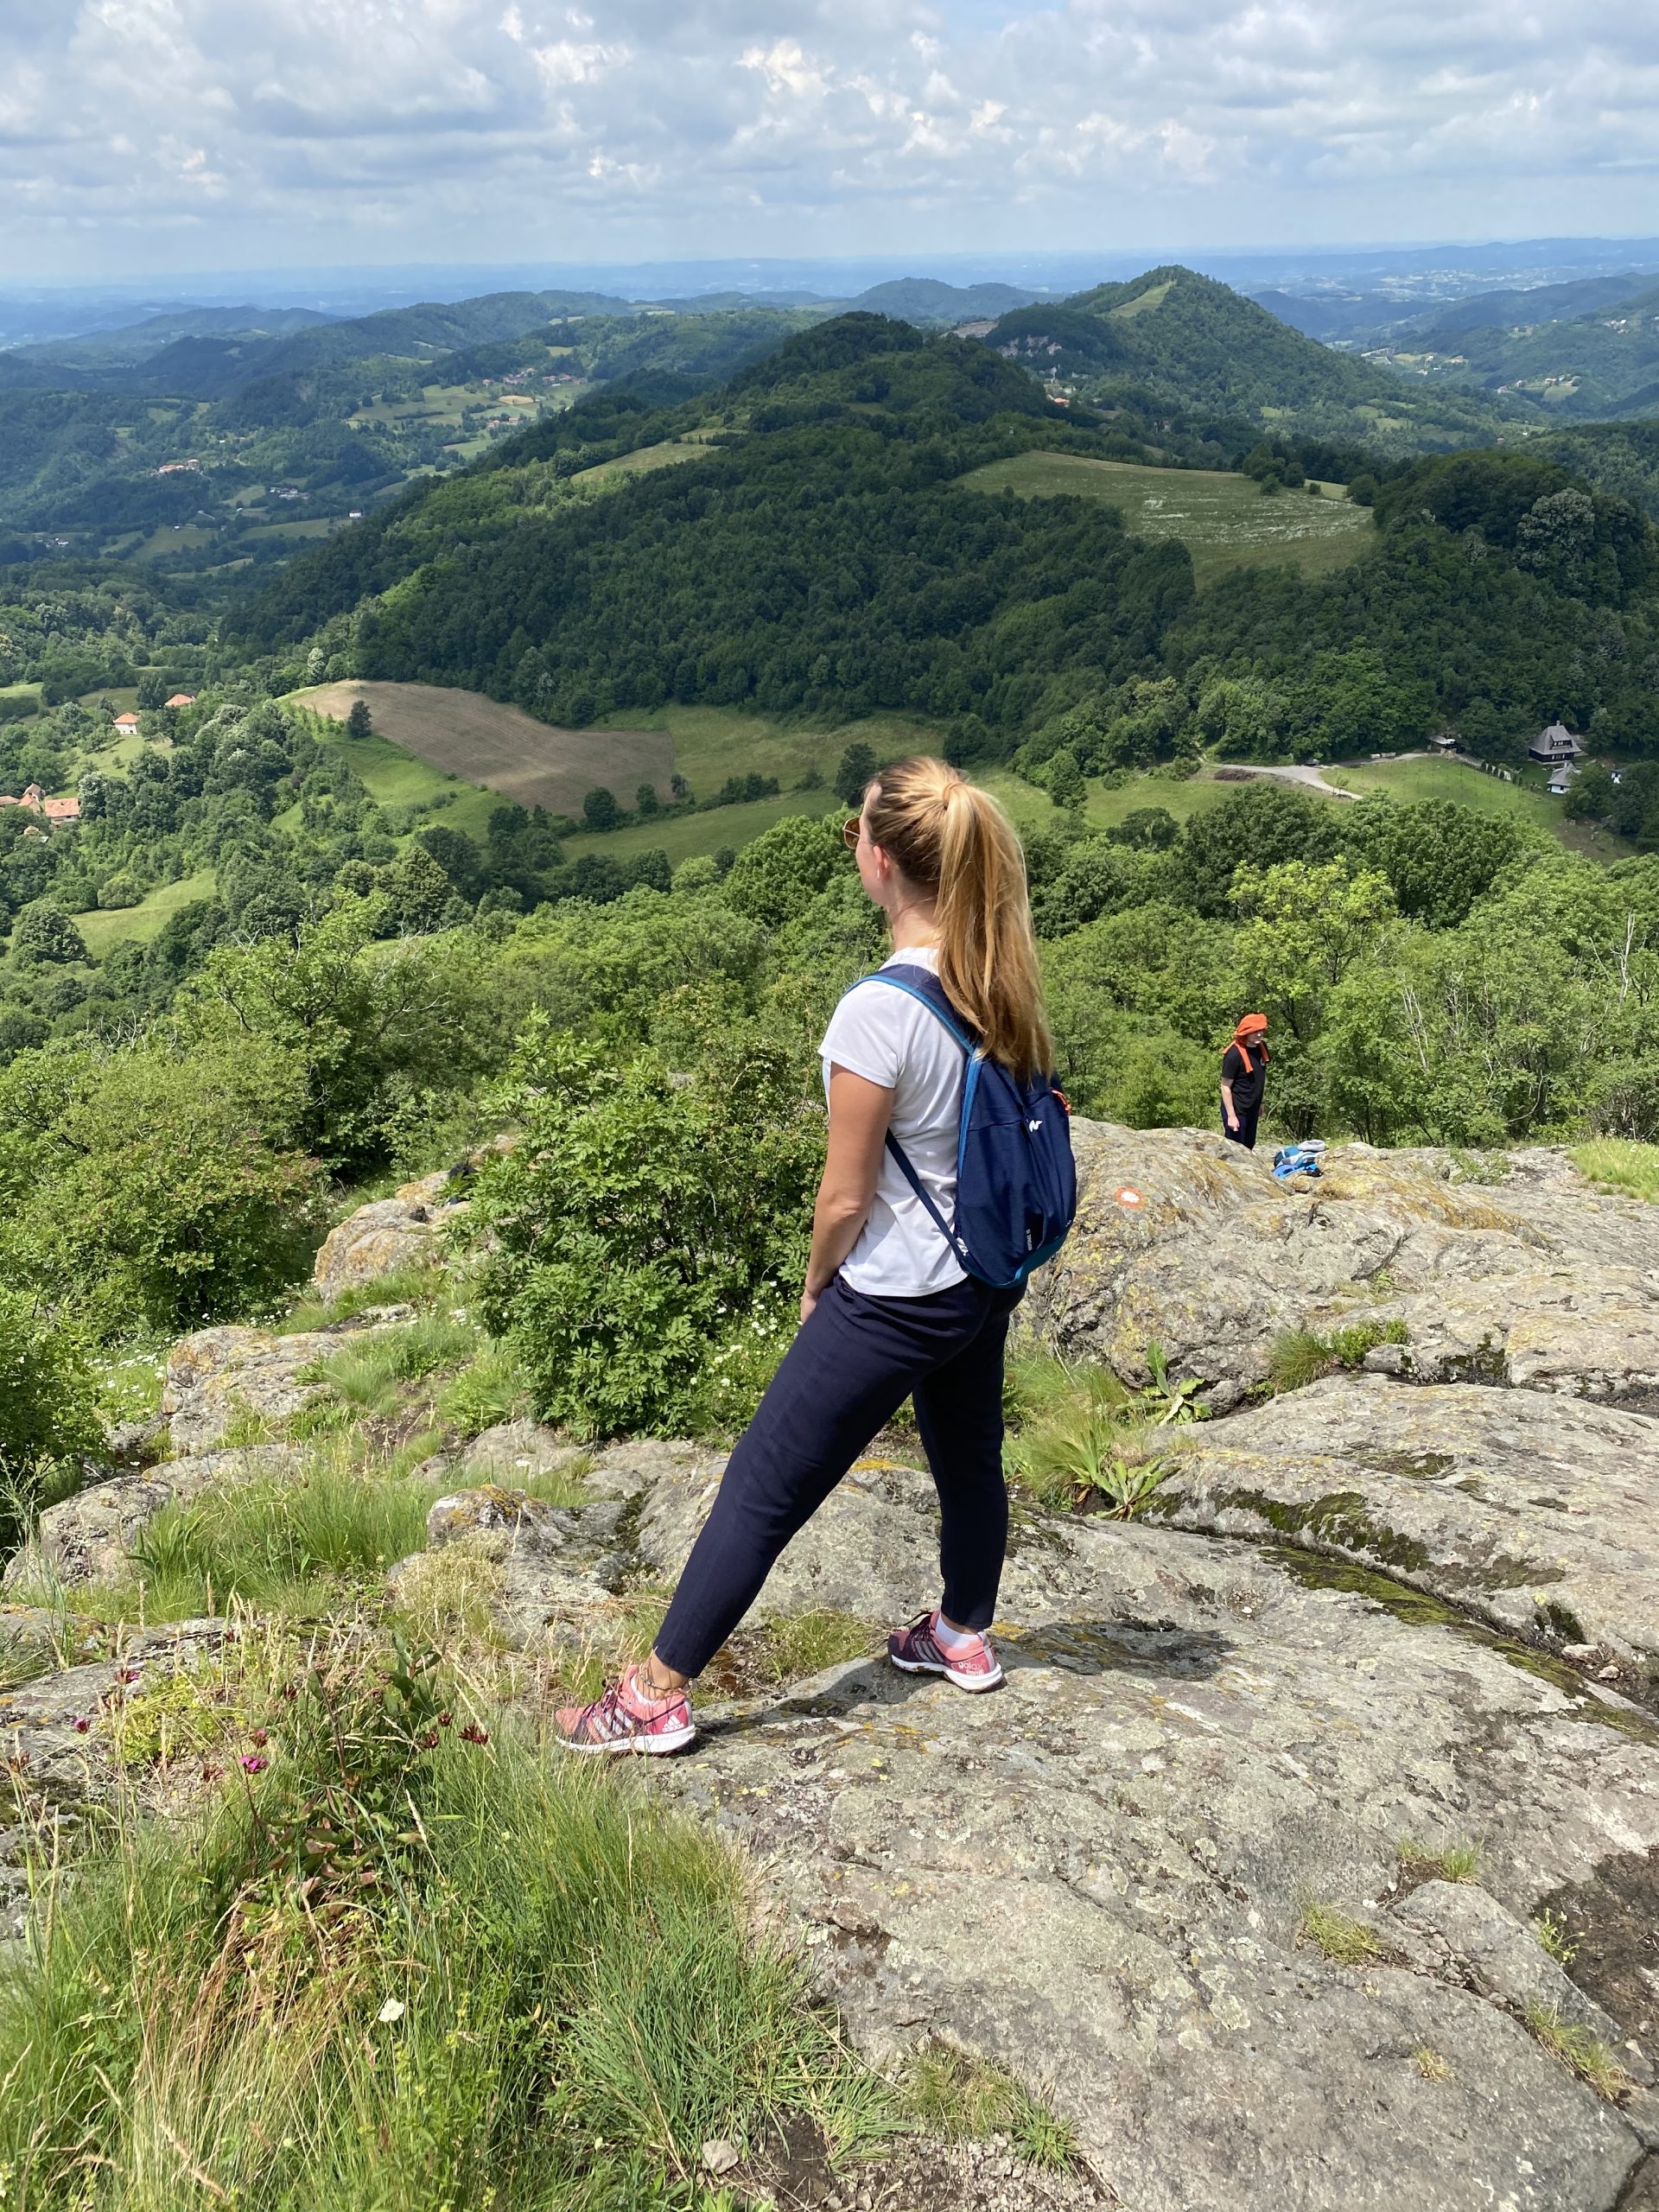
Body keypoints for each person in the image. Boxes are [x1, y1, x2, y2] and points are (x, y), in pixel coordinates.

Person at [556, 757, 1052, 1754]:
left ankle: (655, 1695)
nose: (853, 848)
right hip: (979, 1283)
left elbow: (844, 1195)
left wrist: (818, 1277)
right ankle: (961, 1632)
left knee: (765, 1479)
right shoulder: (995, 979)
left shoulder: (879, 1008)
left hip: (899, 1293)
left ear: (879, 860)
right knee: (969, 1458)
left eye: (855, 834)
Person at [1220, 1013, 1270, 1149]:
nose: (1259, 1034)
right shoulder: (1234, 1055)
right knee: (1235, 1150)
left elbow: (1261, 1077)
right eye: (1255, 1031)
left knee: (1249, 1147)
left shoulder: (1262, 1048)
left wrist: (1261, 1102)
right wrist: (1231, 1116)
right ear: (1246, 1033)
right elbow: (1225, 1086)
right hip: (1237, 1111)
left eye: (1261, 1031)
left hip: (1252, 1109)